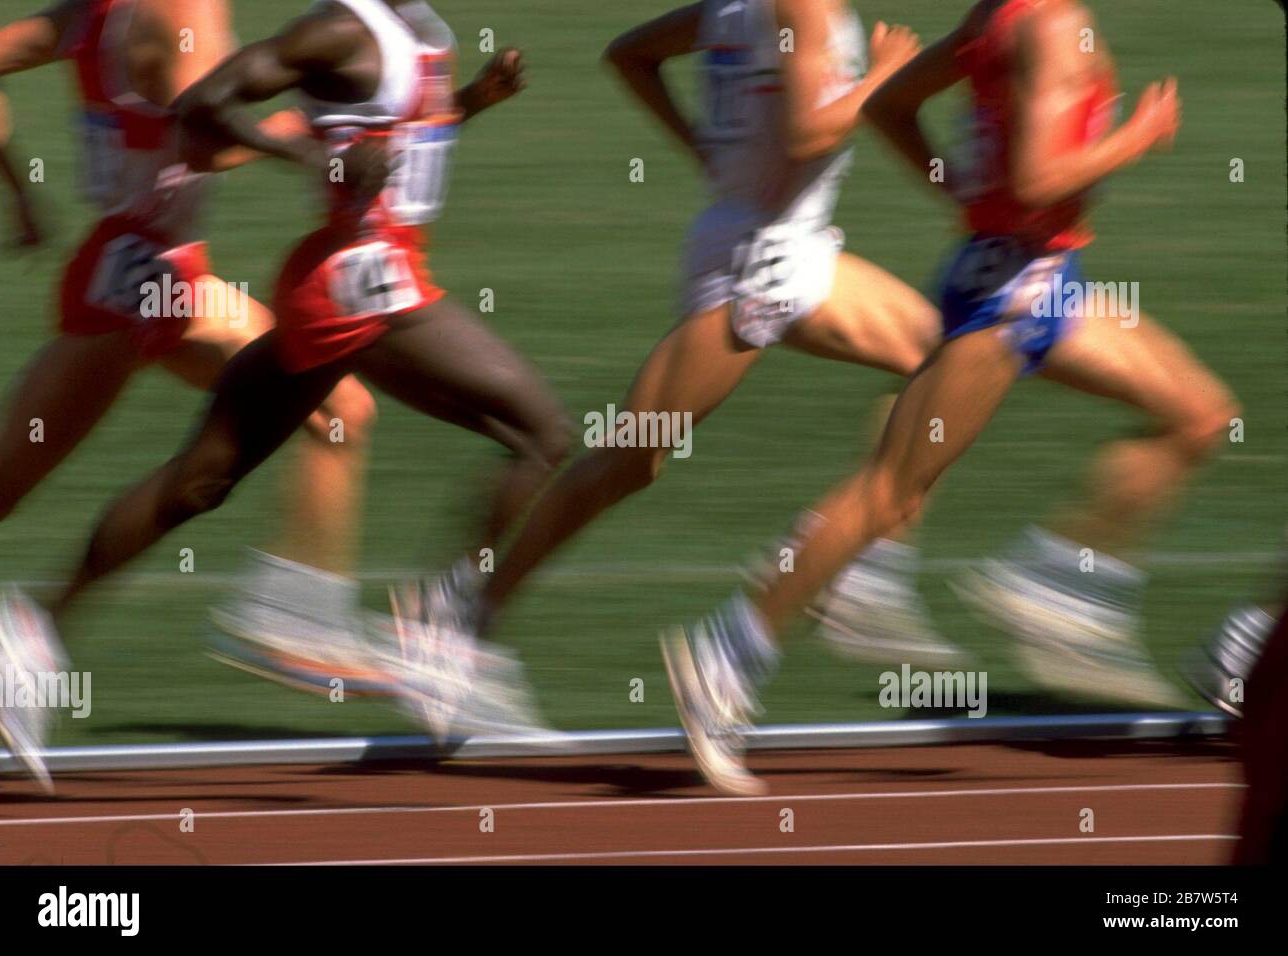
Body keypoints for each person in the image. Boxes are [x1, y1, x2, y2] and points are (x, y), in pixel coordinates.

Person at [663, 0, 1239, 794]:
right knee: (888, 491)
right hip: (1010, 295)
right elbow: (1036, 178)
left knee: (1200, 413)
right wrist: (1133, 138)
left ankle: (1056, 583)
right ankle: (728, 654)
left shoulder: (998, 16)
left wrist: (961, 193)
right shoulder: (1045, 25)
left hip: (1041, 278)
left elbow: (895, 104)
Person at [424, 0, 974, 695]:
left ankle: (853, 562)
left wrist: (703, 146)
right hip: (759, 265)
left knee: (940, 354)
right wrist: (887, 75)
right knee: (633, 456)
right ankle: (468, 614)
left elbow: (629, 52)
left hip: (795, 251)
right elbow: (808, 134)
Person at [0, 0, 376, 791]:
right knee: (336, 408)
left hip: (145, 275)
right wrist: (317, 129)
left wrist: (16, 190)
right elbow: (208, 139)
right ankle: (294, 617)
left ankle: (33, 640)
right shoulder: (182, 8)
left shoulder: (91, 12)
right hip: (143, 279)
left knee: (338, 410)